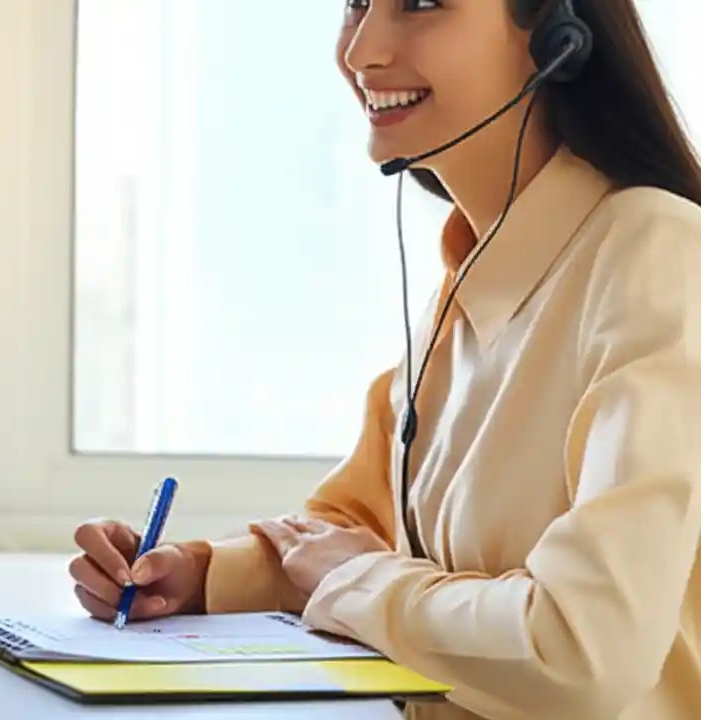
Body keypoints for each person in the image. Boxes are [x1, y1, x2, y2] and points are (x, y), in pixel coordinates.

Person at [68, 1, 701, 718]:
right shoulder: (467, 290)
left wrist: (353, 578)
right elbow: (350, 538)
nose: (360, 50)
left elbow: (583, 652)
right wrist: (193, 576)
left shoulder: (656, 255)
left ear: (556, 32)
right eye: (356, 4)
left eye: (420, 2)